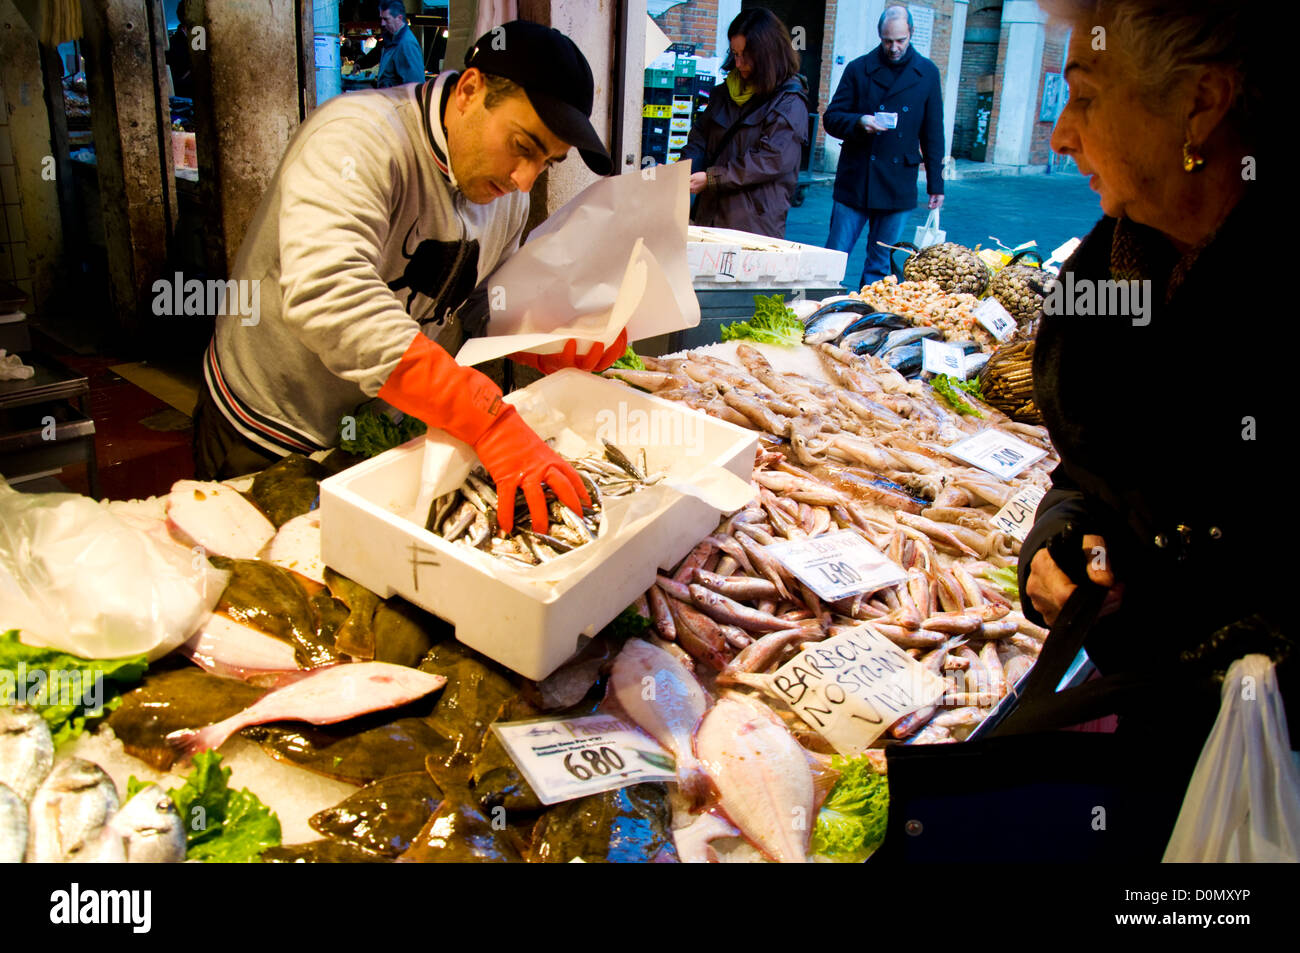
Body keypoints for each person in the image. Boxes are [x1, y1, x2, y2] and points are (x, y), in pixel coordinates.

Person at [1020, 0, 1290, 852]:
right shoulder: (1125, 263)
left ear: (1201, 103)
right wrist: (1059, 541)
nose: (1062, 135)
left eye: (1087, 97)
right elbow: (1093, 473)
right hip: (1151, 744)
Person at [193, 20, 621, 536]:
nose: (524, 179)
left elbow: (477, 303)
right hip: (272, 425)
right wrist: (485, 419)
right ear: (469, 91)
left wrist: (544, 336)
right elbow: (332, 295)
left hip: (382, 428)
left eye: (547, 162)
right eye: (522, 146)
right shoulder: (357, 139)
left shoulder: (508, 198)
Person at [822, 4, 944, 288]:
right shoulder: (858, 69)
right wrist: (859, 122)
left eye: (900, 40)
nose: (894, 47)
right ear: (880, 35)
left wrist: (936, 184)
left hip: (897, 182)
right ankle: (822, 311)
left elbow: (933, 132)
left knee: (881, 267)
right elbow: (831, 118)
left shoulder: (927, 73)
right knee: (832, 259)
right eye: (888, 41)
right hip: (856, 179)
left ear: (911, 33)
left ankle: (868, 322)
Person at [679, 8, 809, 239]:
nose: (738, 63)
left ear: (767, 54)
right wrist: (680, 172)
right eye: (735, 54)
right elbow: (700, 139)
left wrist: (711, 179)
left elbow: (770, 160)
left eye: (745, 55)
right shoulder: (724, 93)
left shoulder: (790, 101)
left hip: (752, 225)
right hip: (708, 216)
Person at [357, 1, 427, 89]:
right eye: (381, 19)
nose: (382, 23)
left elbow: (415, 87)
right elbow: (376, 55)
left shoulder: (406, 45)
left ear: (399, 18)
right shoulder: (391, 40)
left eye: (386, 19)